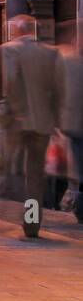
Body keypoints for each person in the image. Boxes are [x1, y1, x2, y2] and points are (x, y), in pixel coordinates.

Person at [0, 14, 61, 238]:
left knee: (7, 166)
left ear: (17, 30)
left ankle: (2, 203)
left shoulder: (9, 50)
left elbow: (11, 83)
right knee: (35, 177)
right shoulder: (50, 53)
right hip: (42, 124)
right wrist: (55, 120)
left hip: (17, 122)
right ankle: (31, 222)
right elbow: (58, 90)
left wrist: (9, 110)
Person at [57, 24, 83, 223]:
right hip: (74, 126)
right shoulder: (69, 61)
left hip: (73, 125)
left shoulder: (67, 61)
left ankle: (76, 204)